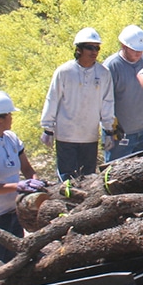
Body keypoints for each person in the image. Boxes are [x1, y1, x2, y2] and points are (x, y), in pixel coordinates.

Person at [40, 28, 115, 181]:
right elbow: (52, 99)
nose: (94, 52)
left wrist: (109, 130)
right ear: (79, 49)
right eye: (90, 47)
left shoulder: (103, 73)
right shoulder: (64, 72)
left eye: (97, 48)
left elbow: (107, 103)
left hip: (89, 136)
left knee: (88, 179)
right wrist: (48, 128)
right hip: (66, 136)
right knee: (67, 180)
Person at [0, 91, 44, 272]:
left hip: (14, 213)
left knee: (17, 262)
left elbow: (27, 169)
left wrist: (35, 184)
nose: (12, 118)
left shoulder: (11, 139)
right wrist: (16, 186)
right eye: (9, 114)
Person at [103, 25, 143, 162]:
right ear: (123, 46)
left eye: (141, 50)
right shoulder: (111, 66)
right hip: (120, 132)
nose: (139, 54)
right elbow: (103, 100)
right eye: (135, 50)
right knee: (114, 173)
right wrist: (112, 125)